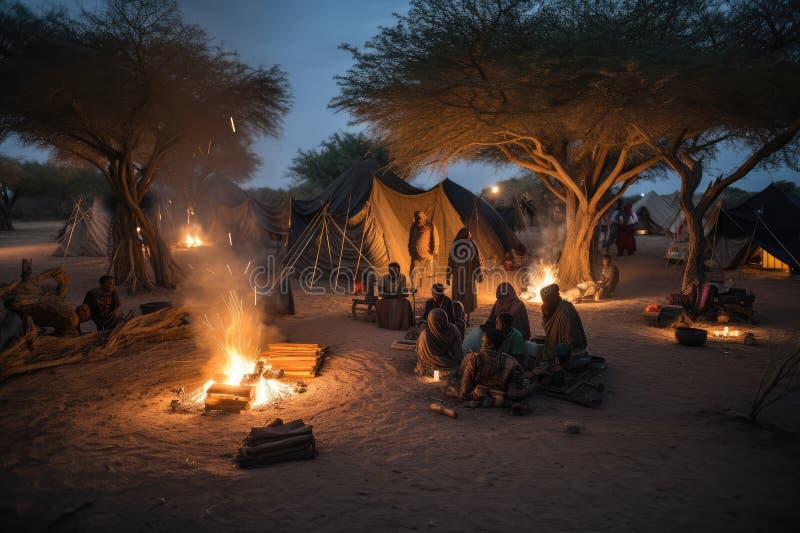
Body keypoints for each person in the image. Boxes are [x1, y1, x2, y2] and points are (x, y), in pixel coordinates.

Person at [449, 328, 522, 406]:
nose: (481, 345)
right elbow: (515, 392)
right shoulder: (512, 362)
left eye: (483, 342)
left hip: (479, 395)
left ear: (490, 344)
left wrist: (455, 393)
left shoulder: (475, 359)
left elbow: (464, 392)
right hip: (500, 397)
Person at [539, 283, 589, 371]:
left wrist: (563, 356)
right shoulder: (546, 308)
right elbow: (548, 327)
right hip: (555, 347)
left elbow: (572, 338)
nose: (546, 305)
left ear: (555, 298)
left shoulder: (566, 311)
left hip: (572, 349)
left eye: (548, 301)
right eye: (545, 301)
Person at [446, 227, 484, 324]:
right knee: (458, 299)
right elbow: (450, 262)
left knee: (468, 300)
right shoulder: (455, 247)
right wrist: (448, 275)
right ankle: (460, 318)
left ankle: (467, 319)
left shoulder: (472, 245)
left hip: (469, 277)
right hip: (459, 277)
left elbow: (477, 261)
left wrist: (479, 274)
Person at [415, 308, 463, 376]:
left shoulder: (453, 330)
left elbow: (458, 353)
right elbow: (458, 354)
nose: (439, 322)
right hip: (449, 364)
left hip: (443, 364)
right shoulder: (426, 335)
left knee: (434, 371)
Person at [375, 262, 414, 330]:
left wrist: (409, 291)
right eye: (391, 270)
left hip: (398, 298)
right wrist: (389, 295)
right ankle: (385, 324)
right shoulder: (384, 277)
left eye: (395, 271)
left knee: (406, 303)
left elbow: (403, 290)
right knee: (379, 303)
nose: (393, 272)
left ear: (399, 270)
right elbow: (380, 292)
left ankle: (401, 324)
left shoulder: (402, 277)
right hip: (387, 298)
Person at [408, 210, 439, 289]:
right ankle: (414, 288)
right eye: (416, 217)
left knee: (427, 274)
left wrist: (435, 249)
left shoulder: (431, 226)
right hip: (415, 253)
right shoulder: (414, 226)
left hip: (427, 254)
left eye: (419, 217)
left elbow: (435, 238)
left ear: (423, 217)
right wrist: (410, 247)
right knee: (413, 272)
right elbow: (411, 237)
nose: (418, 219)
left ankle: (427, 290)